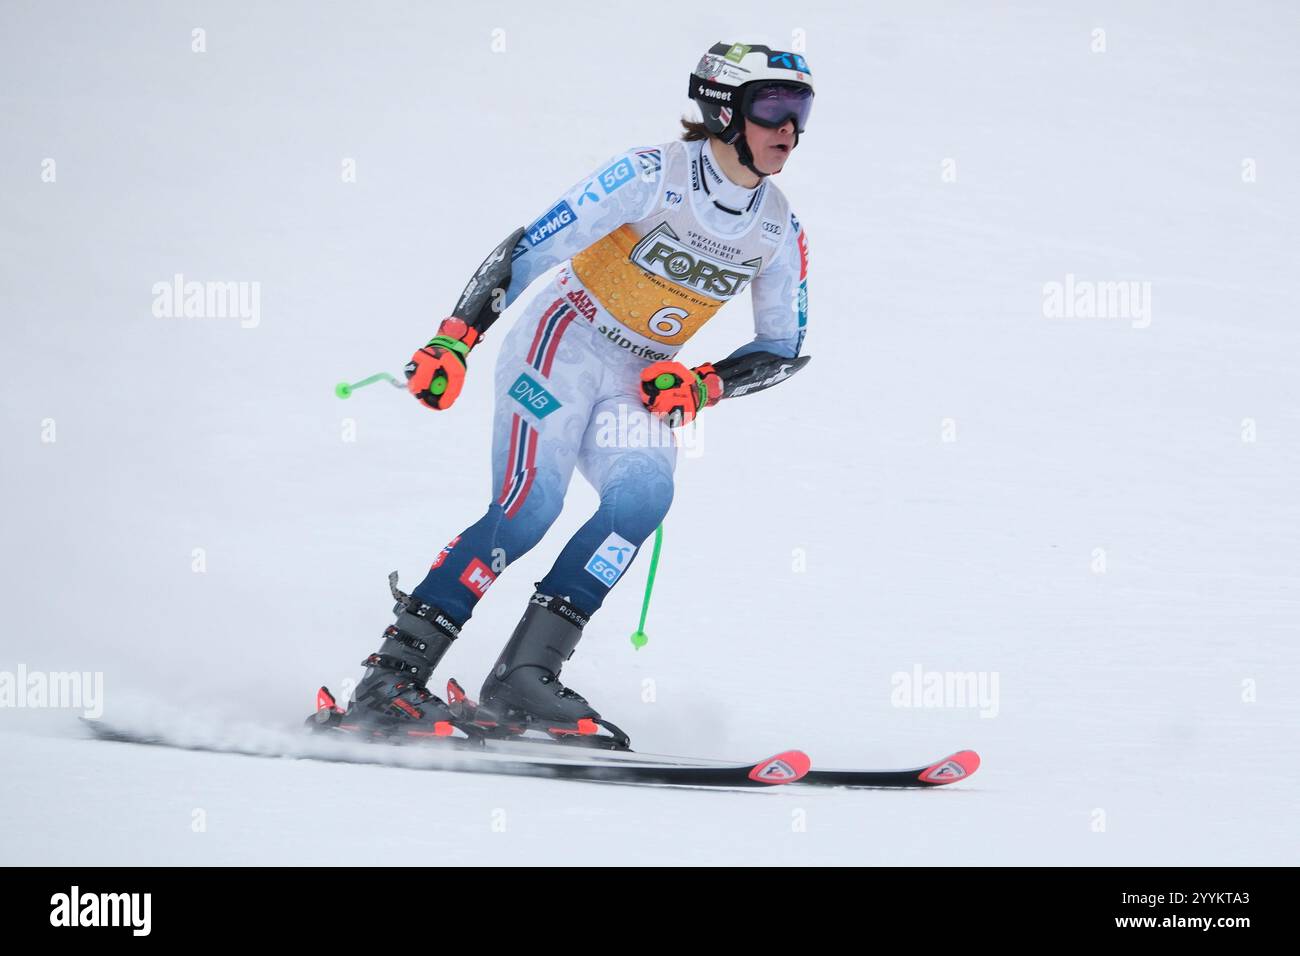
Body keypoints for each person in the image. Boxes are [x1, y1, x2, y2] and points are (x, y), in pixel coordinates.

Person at [340, 41, 814, 747]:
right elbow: (530, 246)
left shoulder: (779, 228)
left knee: (642, 501)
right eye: (772, 107)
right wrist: (455, 338)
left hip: (639, 380)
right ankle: (390, 679)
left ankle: (525, 676)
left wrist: (705, 383)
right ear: (723, 110)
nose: (789, 128)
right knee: (530, 508)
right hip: (561, 343)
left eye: (800, 109)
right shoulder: (651, 175)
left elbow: (783, 351)